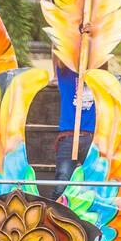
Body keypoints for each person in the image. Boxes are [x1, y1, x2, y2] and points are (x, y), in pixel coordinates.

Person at [52, 56, 98, 188]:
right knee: (62, 183)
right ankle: (58, 209)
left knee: (92, 185)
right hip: (69, 137)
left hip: (91, 137)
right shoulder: (66, 73)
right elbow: (59, 50)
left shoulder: (96, 76)